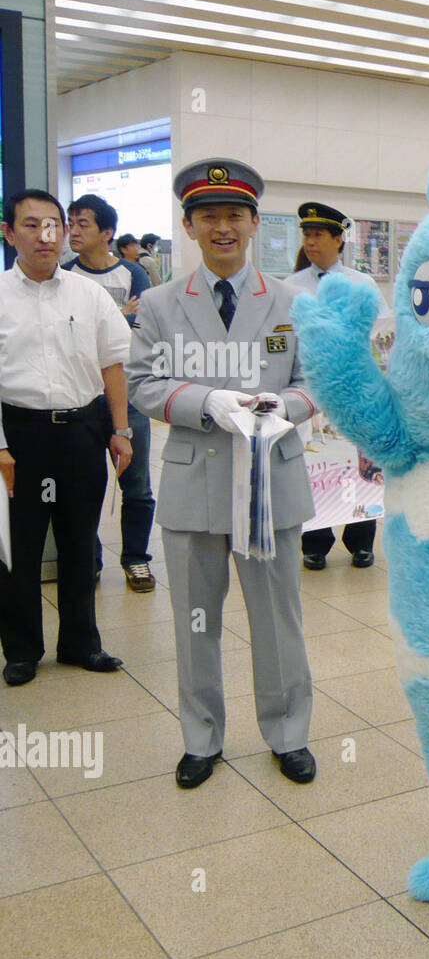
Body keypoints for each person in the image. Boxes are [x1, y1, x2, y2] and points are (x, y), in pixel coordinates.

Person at [126, 158, 318, 789]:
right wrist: (207, 402)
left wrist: (278, 409)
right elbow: (142, 384)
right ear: (189, 226)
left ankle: (288, 733)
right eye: (209, 216)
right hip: (194, 482)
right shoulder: (158, 303)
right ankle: (201, 737)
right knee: (195, 620)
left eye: (235, 215)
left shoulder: (293, 302)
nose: (223, 227)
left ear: (255, 222)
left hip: (272, 482)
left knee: (277, 620)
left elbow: (315, 383)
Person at [0, 189, 132, 686]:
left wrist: (119, 431)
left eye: (54, 224)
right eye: (31, 225)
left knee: (81, 541)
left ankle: (81, 642)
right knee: (19, 546)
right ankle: (21, 649)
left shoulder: (89, 294)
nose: (46, 235)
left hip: (81, 431)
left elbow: (112, 365)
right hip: (20, 436)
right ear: (9, 233)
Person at [284, 201, 391, 570]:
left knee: (359, 465)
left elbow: (383, 337)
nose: (311, 242)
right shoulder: (290, 286)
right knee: (317, 466)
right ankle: (314, 542)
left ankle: (360, 541)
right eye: (307, 235)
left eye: (318, 235)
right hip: (309, 389)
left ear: (338, 239)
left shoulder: (362, 285)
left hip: (356, 390)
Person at [65, 194, 157, 592]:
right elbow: (66, 337)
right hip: (81, 396)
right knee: (84, 485)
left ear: (107, 233)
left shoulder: (133, 274)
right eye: (71, 222)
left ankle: (136, 559)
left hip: (130, 394)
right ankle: (91, 559)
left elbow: (143, 327)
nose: (73, 230)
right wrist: (117, 320)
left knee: (136, 484)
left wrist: (102, 326)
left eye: (83, 223)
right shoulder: (65, 275)